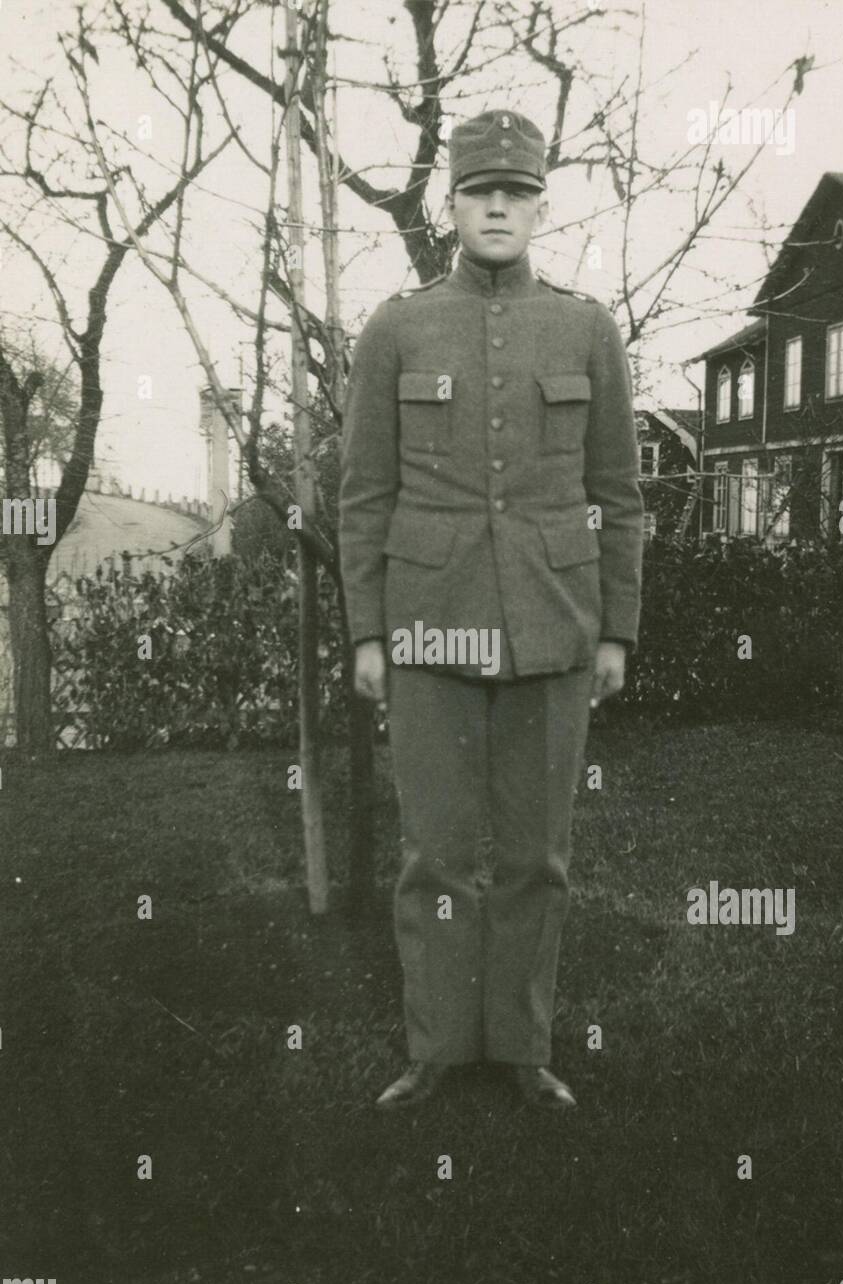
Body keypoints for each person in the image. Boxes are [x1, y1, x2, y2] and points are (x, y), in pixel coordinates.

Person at [338, 109, 644, 1110]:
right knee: (433, 851)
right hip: (428, 622)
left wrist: (615, 628)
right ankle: (436, 1046)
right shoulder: (396, 326)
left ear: (541, 205)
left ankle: (519, 1044)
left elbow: (620, 495)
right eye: (481, 192)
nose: (499, 206)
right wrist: (371, 632)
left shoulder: (586, 328)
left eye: (516, 192)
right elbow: (364, 495)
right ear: (454, 204)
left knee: (533, 855)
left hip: (554, 623)